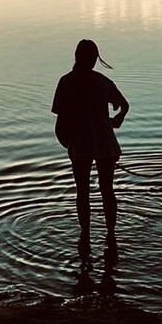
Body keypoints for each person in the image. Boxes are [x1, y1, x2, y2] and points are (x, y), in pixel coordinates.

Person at [51, 39, 129, 264]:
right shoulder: (101, 81)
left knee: (83, 192)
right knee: (107, 190)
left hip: (80, 146)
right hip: (105, 144)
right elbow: (124, 104)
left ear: (76, 56)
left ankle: (85, 237)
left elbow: (60, 122)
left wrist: (69, 144)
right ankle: (111, 236)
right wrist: (118, 119)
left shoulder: (66, 82)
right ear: (94, 59)